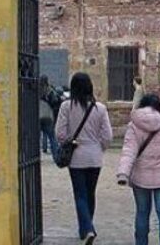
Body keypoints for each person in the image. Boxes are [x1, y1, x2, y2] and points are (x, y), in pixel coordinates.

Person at [116, 94, 160, 245]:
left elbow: (129, 151)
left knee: (142, 212)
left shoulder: (134, 125)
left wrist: (123, 173)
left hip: (140, 177)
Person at [56, 72, 113, 244]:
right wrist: (99, 147)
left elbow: (60, 133)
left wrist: (69, 141)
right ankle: (85, 228)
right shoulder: (100, 108)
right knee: (90, 193)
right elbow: (108, 136)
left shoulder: (66, 106)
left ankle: (87, 228)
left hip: (76, 158)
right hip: (95, 157)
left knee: (80, 194)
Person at [39, 75, 61, 154]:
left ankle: (40, 151)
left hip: (38, 115)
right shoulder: (50, 90)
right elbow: (55, 102)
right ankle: (56, 154)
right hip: (48, 116)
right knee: (51, 136)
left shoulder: (37, 89)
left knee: (38, 136)